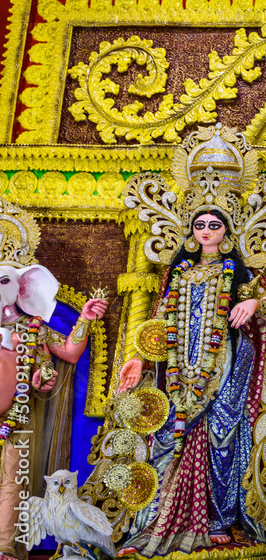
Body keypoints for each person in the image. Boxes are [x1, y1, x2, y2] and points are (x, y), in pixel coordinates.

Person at [115, 210, 266, 557]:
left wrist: (254, 301)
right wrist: (137, 356)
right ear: (191, 231)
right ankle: (159, 519)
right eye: (200, 225)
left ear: (226, 231)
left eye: (214, 225)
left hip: (225, 363)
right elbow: (159, 323)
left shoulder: (238, 272)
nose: (206, 231)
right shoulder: (179, 274)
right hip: (179, 368)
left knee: (222, 434)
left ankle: (219, 520)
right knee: (168, 434)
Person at [0, 199, 108, 560]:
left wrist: (85, 320)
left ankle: (5, 549)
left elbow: (70, 353)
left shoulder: (32, 329)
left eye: (4, 280)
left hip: (15, 418)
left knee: (12, 482)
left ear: (26, 286)